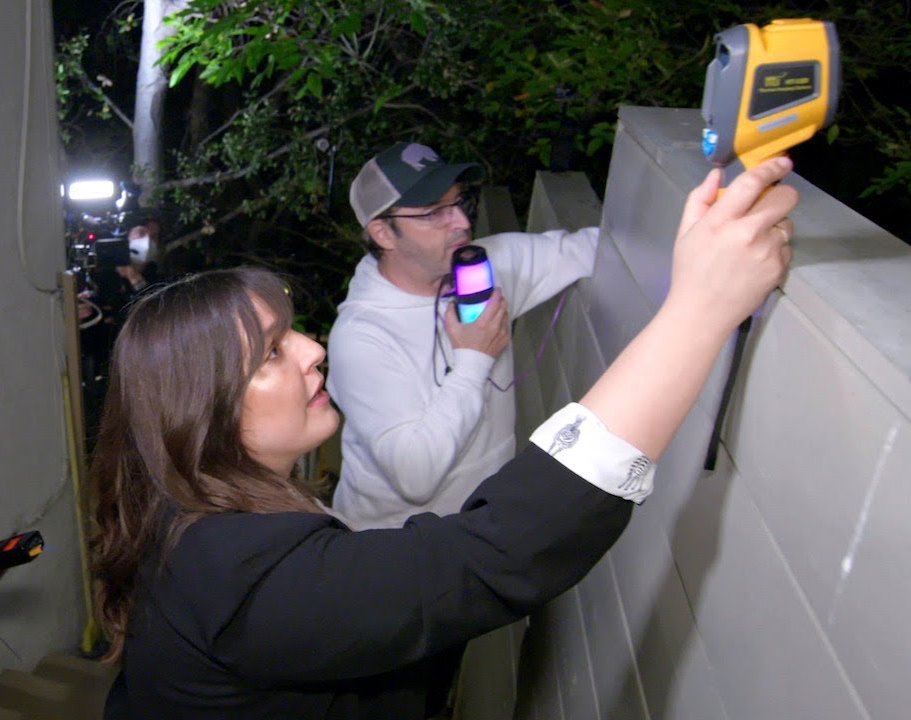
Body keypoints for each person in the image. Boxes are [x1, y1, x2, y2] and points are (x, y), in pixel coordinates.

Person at [90, 158, 797, 719]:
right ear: (204, 412)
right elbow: (502, 552)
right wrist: (701, 311)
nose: (313, 350)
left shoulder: (199, 518)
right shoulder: (249, 573)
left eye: (293, 330)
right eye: (273, 352)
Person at [327, 141, 602, 530]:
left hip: (485, 525)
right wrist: (474, 359)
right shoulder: (361, 339)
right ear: (383, 233)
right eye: (434, 212)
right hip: (397, 551)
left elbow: (600, 250)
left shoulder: (484, 266)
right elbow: (416, 478)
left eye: (459, 202)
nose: (461, 222)